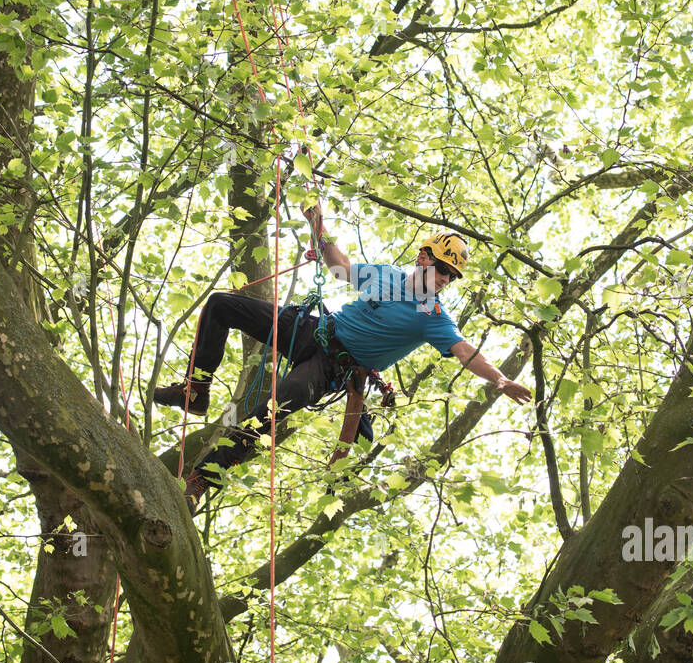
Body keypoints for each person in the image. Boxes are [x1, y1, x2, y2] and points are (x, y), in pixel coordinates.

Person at [155, 201, 532, 510]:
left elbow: (466, 351)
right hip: (313, 329)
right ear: (423, 258)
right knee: (222, 304)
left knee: (282, 399)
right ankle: (196, 389)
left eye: (451, 277)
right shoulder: (385, 276)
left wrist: (498, 378)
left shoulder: (431, 318)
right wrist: (316, 223)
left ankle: (203, 477)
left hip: (332, 366)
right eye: (443, 270)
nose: (445, 280)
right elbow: (340, 267)